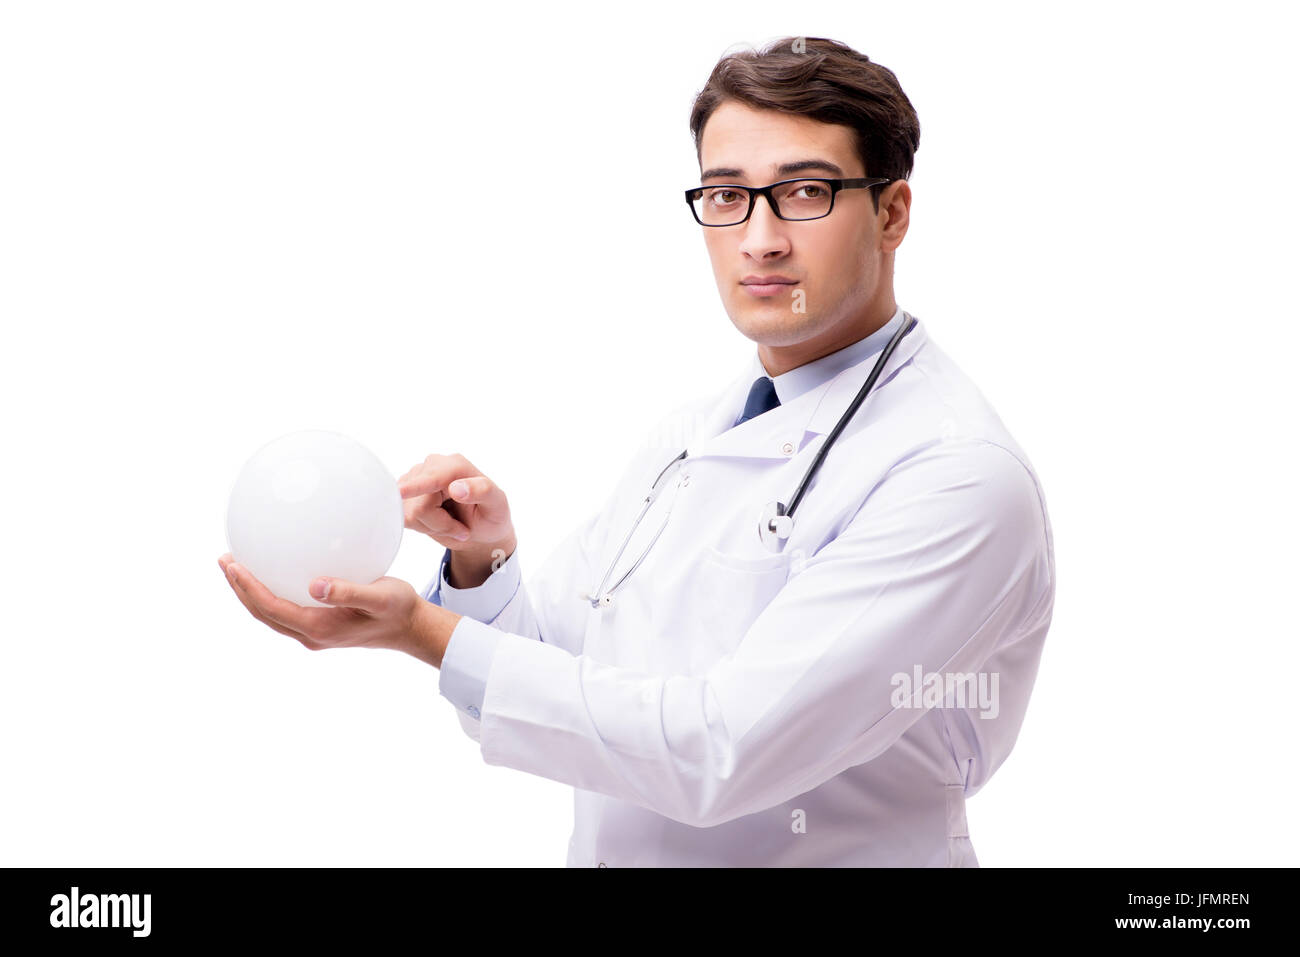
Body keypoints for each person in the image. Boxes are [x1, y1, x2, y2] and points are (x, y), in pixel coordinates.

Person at [219, 36, 1056, 867]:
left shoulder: (956, 475)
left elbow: (723, 751)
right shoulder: (694, 433)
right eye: (728, 196)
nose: (759, 240)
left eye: (803, 192)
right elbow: (551, 692)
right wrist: (480, 565)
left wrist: (422, 632)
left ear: (892, 212)